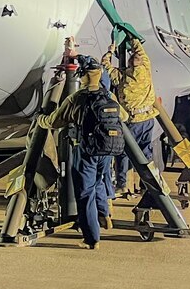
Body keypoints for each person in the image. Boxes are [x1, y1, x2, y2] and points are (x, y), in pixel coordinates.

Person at [39, 62, 124, 250]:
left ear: (82, 77)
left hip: (86, 150)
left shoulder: (77, 98)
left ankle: (91, 238)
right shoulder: (108, 95)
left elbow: (54, 122)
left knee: (85, 193)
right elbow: (123, 117)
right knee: (100, 181)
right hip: (107, 149)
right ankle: (104, 215)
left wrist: (40, 119)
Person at [102, 40, 157, 197]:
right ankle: (150, 184)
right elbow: (140, 51)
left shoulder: (122, 78)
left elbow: (105, 64)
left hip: (132, 122)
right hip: (148, 118)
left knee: (124, 153)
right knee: (146, 152)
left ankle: (122, 184)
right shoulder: (146, 70)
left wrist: (110, 50)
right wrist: (132, 40)